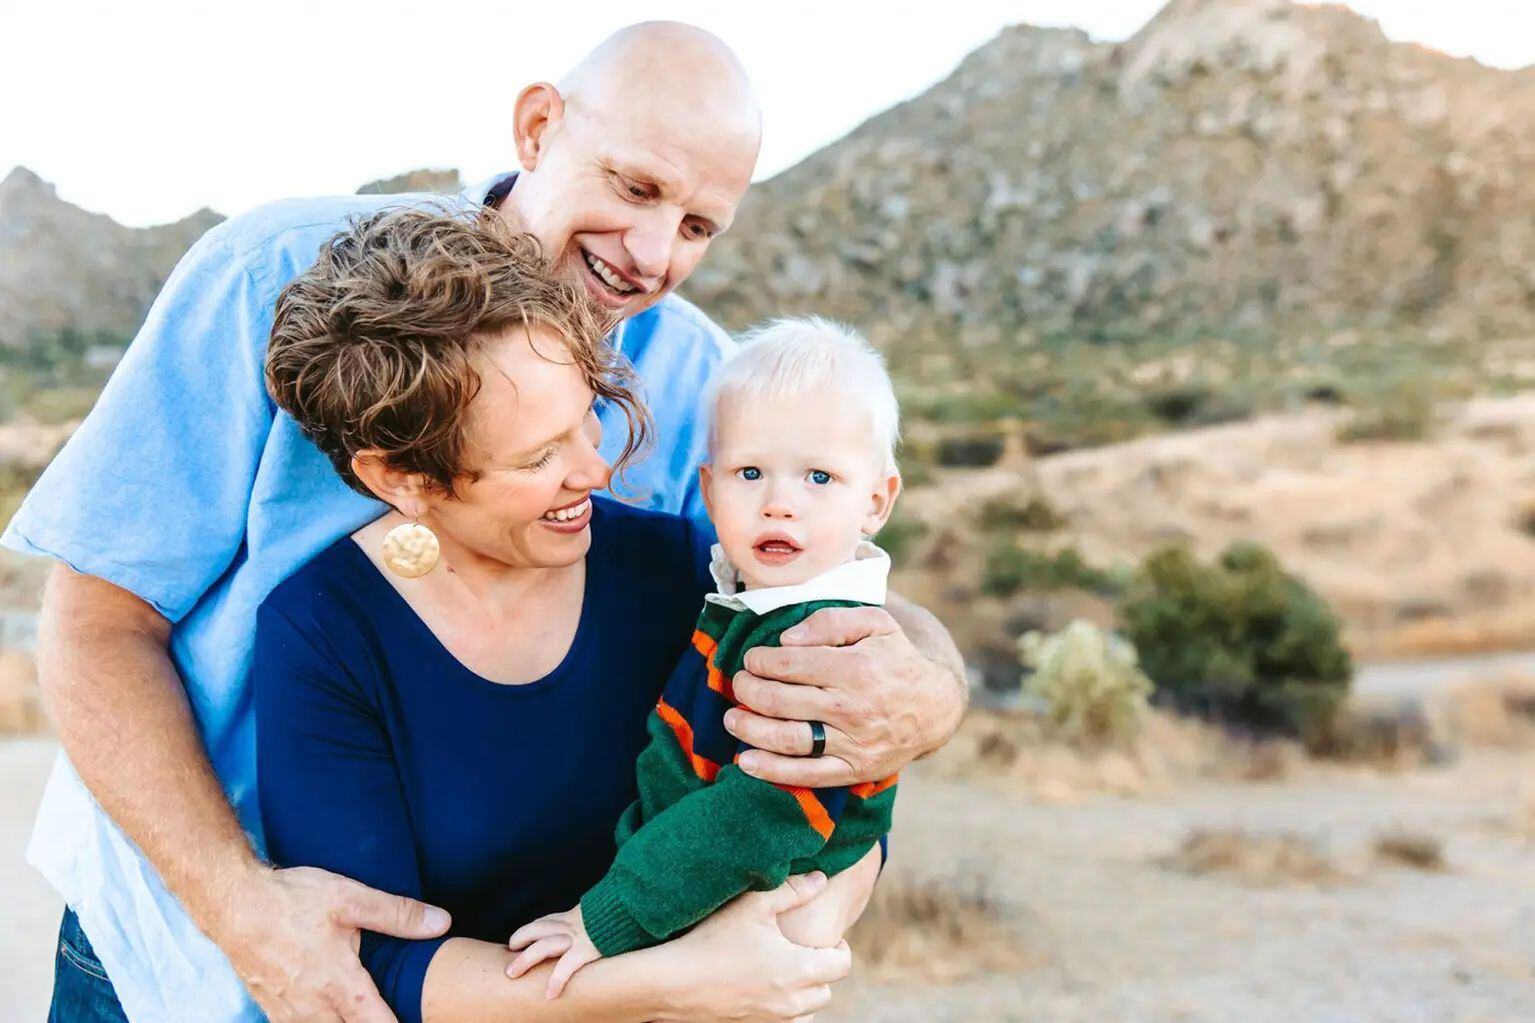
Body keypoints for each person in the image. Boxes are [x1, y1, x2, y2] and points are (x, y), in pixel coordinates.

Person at [12, 22, 965, 1023]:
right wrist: (244, 912)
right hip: (184, 946)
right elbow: (96, 625)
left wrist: (930, 690)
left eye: (696, 228)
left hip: (515, 973)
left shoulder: (709, 387)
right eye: (636, 187)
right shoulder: (265, 278)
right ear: (537, 127)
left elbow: (815, 605)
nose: (650, 255)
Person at [254, 209, 874, 1023]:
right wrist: (677, 983)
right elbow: (377, 958)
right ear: (403, 477)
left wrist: (785, 947)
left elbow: (844, 790)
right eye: (538, 455)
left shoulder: (685, 568)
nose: (594, 466)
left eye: (588, 416)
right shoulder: (323, 632)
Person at [507, 317, 904, 997]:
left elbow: (759, 812)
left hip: (747, 907)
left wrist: (610, 916)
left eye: (819, 476)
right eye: (750, 472)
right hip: (693, 891)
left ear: (874, 501)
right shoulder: (747, 602)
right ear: (711, 490)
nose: (780, 503)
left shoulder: (816, 642)